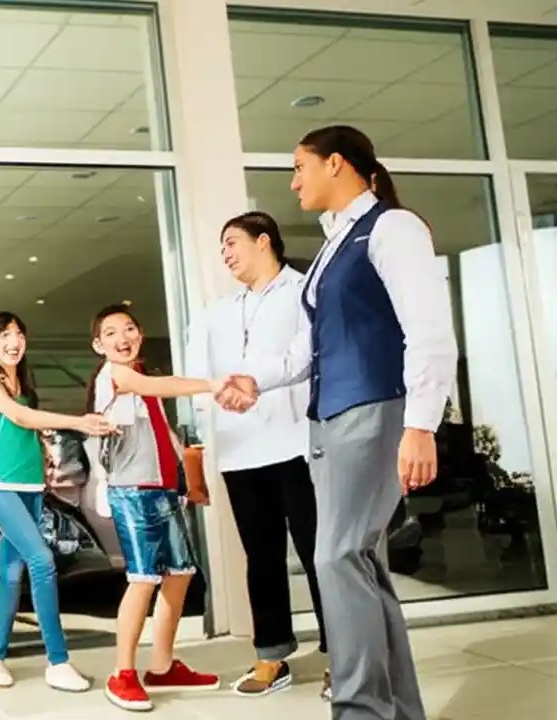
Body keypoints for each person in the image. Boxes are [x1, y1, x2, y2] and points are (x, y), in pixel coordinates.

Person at [225, 125, 456, 720]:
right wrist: (258, 378)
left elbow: (429, 331)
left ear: (336, 164)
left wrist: (421, 423)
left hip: (373, 409)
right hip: (328, 420)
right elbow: (314, 347)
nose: (294, 181)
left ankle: (357, 709)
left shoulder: (392, 227)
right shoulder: (333, 246)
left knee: (334, 557)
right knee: (360, 562)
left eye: (300, 167)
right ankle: (399, 711)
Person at [184, 211, 330, 699]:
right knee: (261, 558)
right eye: (221, 246)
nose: (225, 253)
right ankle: (271, 658)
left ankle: (343, 657)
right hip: (240, 450)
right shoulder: (219, 310)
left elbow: (310, 357)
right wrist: (221, 401)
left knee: (319, 554)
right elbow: (199, 376)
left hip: (297, 442)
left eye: (232, 242)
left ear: (264, 241)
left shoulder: (304, 290)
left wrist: (256, 384)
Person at [85, 304, 233, 712]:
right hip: (132, 493)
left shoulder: (139, 381)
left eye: (129, 328)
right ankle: (123, 673)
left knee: (181, 574)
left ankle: (163, 665)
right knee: (143, 578)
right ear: (99, 345)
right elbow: (158, 389)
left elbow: (164, 433)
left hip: (163, 492)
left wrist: (191, 482)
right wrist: (212, 384)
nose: (123, 338)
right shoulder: (115, 376)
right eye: (111, 332)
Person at [0, 311, 118, 693]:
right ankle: (58, 660)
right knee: (42, 560)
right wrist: (79, 422)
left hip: (31, 488)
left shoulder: (24, 383)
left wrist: (45, 459)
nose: (14, 340)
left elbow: (25, 429)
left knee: (10, 573)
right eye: (5, 334)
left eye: (19, 333)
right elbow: (19, 416)